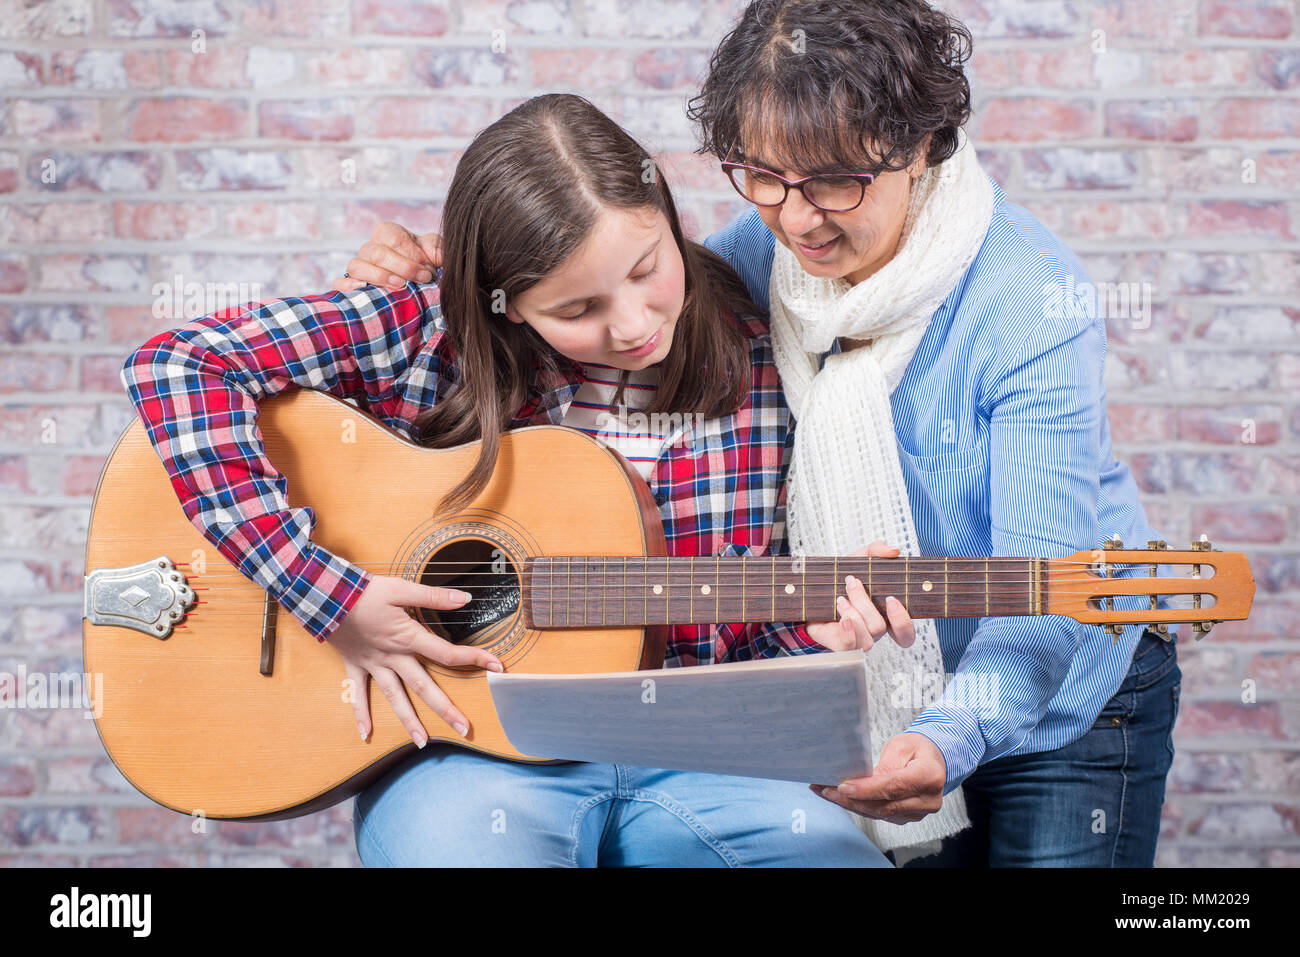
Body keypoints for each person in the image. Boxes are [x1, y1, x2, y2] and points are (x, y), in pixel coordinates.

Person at [335, 0, 1182, 867]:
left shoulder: (1032, 303)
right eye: (764, 175)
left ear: (923, 143)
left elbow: (1044, 601)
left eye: (837, 181)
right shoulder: (755, 263)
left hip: (1062, 675)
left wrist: (947, 736)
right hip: (895, 682)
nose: (799, 218)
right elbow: (599, 279)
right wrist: (443, 269)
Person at [120, 92, 918, 868]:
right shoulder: (423, 330)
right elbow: (180, 364)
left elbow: (727, 630)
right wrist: (329, 595)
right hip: (471, 755)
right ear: (505, 306)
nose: (634, 322)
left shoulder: (756, 340)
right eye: (578, 306)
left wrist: (808, 638)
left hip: (694, 759)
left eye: (648, 267)